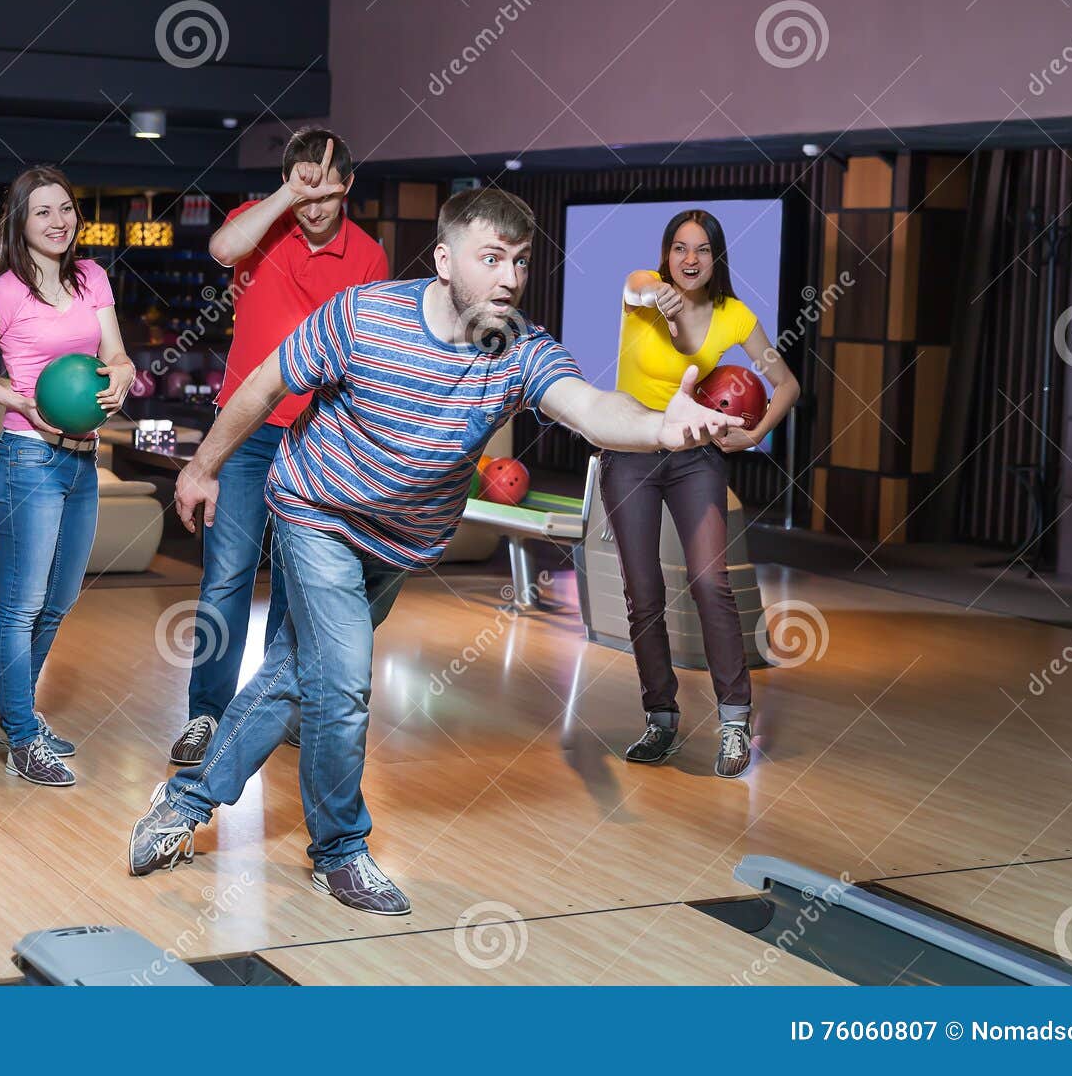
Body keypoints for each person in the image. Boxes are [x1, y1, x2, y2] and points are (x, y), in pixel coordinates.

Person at [127, 188, 742, 915]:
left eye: (519, 261)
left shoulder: (518, 348)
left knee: (297, 673)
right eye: (492, 259)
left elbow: (588, 406)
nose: (510, 278)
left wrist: (656, 430)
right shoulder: (364, 317)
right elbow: (264, 385)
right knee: (345, 679)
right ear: (445, 260)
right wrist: (201, 469)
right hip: (316, 511)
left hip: (400, 540)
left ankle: (181, 804)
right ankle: (340, 851)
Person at [169, 129, 389, 768]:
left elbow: (365, 346)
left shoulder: (370, 256)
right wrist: (285, 196)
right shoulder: (260, 225)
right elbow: (220, 248)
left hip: (318, 436)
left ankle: (281, 706)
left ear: (348, 186)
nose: (313, 206)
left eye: (323, 192)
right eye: (302, 190)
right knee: (227, 578)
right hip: (242, 432)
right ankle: (205, 716)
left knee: (299, 585)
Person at [0, 166, 135, 787]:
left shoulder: (93, 278)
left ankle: (14, 715)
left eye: (65, 209)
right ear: (21, 224)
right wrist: (14, 397)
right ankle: (22, 734)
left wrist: (124, 372)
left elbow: (113, 353)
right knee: (22, 602)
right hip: (27, 458)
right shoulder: (3, 292)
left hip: (84, 456)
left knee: (61, 597)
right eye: (43, 212)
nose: (58, 222)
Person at [609, 209, 800, 778]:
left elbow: (787, 384)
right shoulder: (642, 293)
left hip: (696, 459)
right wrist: (655, 295)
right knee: (642, 590)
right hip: (631, 453)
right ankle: (661, 718)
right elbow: (634, 284)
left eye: (702, 250)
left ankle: (735, 722)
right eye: (679, 248)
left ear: (717, 258)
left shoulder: (733, 316)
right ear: (665, 255)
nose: (689, 260)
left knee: (710, 582)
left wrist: (757, 432)